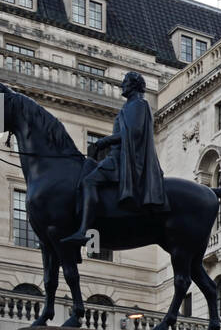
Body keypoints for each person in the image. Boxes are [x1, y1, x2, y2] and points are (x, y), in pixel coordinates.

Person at [63, 71, 166, 246]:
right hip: (116, 156)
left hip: (123, 160)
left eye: (125, 82)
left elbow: (134, 133)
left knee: (89, 182)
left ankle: (84, 231)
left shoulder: (139, 104)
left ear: (134, 85)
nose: (122, 85)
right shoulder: (130, 106)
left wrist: (105, 140)